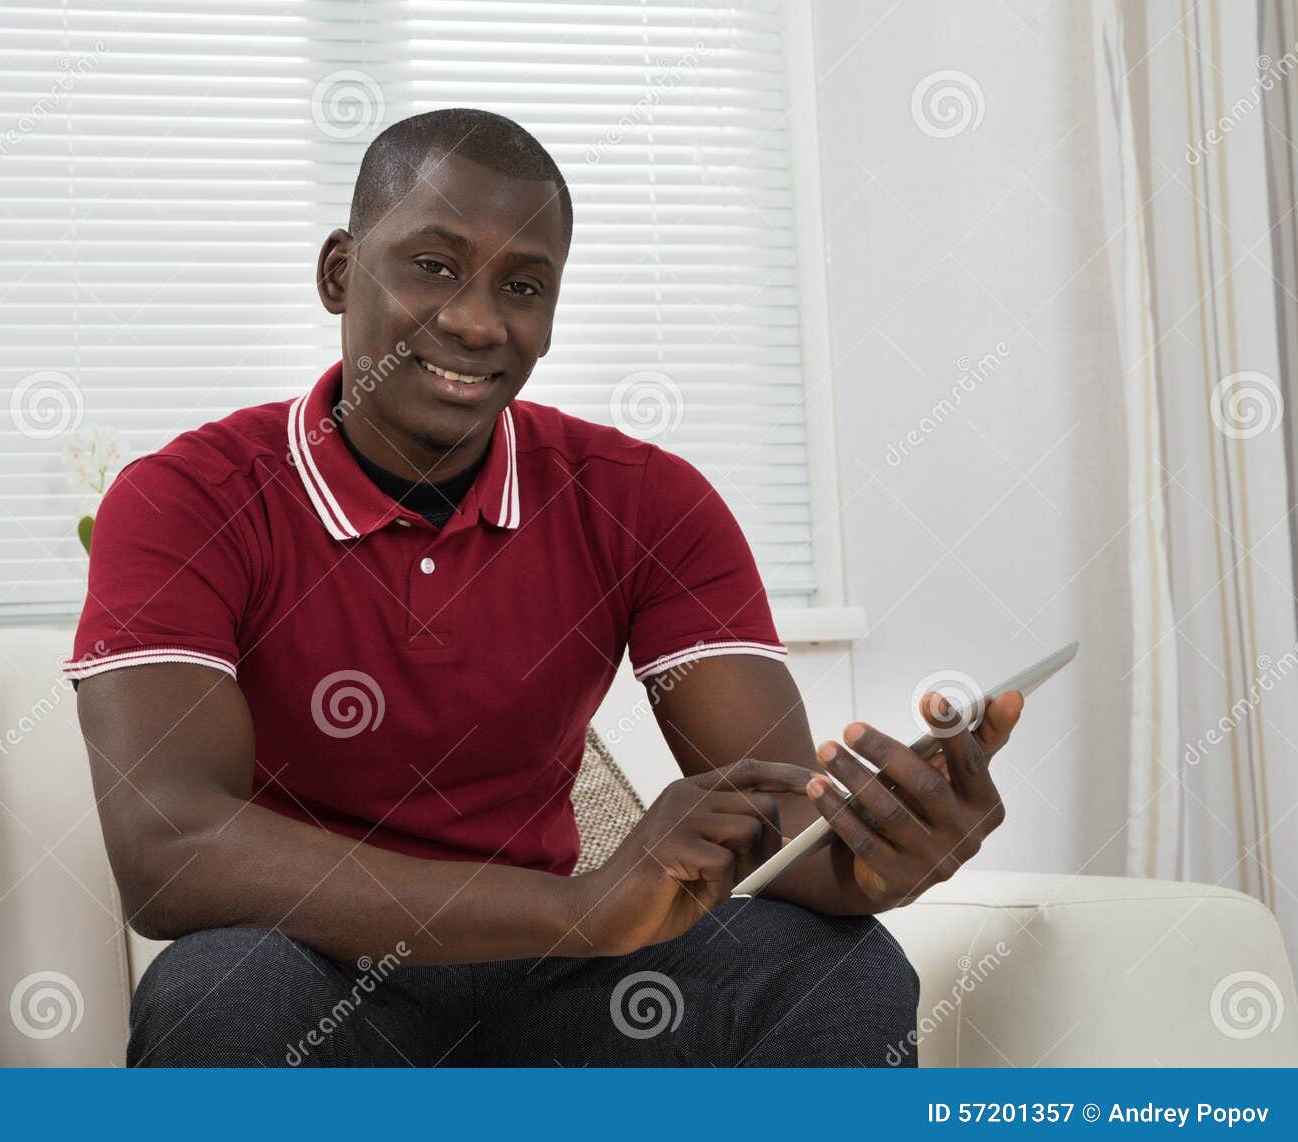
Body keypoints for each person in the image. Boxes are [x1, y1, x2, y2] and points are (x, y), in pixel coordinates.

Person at [64, 108, 1024, 1067]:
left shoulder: (645, 499)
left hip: (560, 989)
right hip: (320, 978)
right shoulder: (188, 499)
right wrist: (582, 909)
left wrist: (885, 843)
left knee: (839, 967)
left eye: (523, 285)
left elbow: (770, 818)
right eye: (433, 266)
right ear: (338, 273)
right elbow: (171, 852)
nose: (479, 320)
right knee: (221, 990)